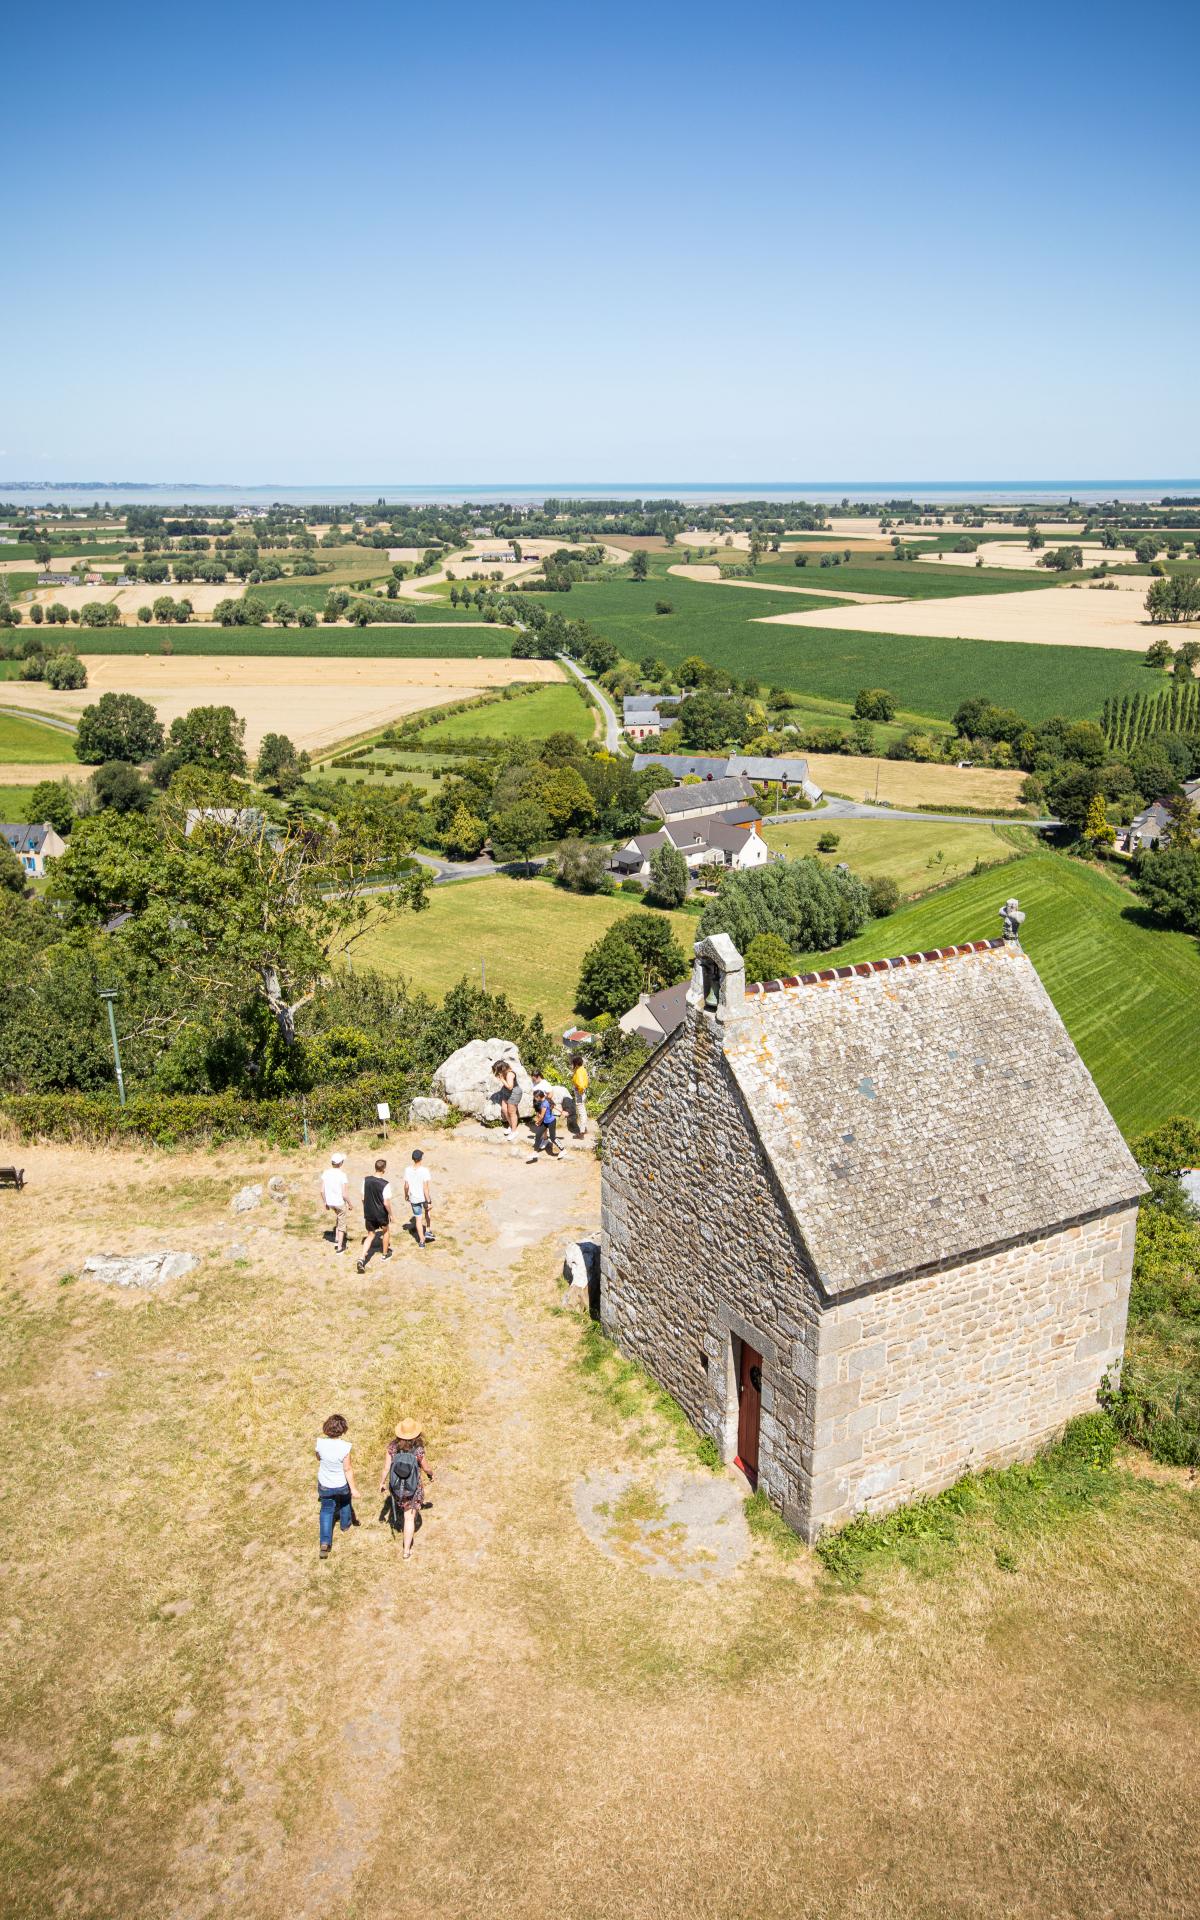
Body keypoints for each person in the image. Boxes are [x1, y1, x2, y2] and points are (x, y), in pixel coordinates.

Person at [380, 1418, 434, 1560]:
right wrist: (431, 1474)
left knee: (404, 1509)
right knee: (409, 1518)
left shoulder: (392, 1447)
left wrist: (382, 1483)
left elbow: (386, 1467)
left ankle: (400, 1520)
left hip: (396, 1487)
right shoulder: (418, 1450)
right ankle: (406, 1551)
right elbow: (426, 1467)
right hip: (413, 1489)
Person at [316, 1412, 360, 1559]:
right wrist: (353, 1489)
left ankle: (325, 1542)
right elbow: (347, 1469)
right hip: (341, 1484)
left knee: (326, 1510)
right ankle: (345, 1525)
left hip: (325, 1484)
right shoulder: (345, 1447)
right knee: (346, 1502)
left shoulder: (320, 1443)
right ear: (343, 1429)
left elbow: (318, 1457)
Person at [357, 1157, 393, 1272]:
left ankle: (362, 1258)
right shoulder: (385, 1184)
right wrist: (391, 1214)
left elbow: (362, 1197)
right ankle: (385, 1254)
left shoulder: (365, 1180)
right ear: (384, 1169)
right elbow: (386, 1203)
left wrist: (366, 1207)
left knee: (370, 1235)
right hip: (381, 1214)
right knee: (386, 1231)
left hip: (369, 1212)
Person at [403, 1149, 434, 1246]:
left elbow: (406, 1185)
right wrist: (428, 1201)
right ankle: (428, 1230)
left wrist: (406, 1195)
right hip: (423, 1197)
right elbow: (425, 1188)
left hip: (414, 1198)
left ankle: (421, 1241)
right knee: (428, 1211)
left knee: (418, 1220)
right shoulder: (424, 1171)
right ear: (421, 1159)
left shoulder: (407, 1170)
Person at [320, 1151, 350, 1254]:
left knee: (338, 1216)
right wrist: (350, 1204)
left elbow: (322, 1190)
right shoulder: (342, 1175)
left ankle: (337, 1239)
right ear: (341, 1163)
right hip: (339, 1202)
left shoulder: (326, 1173)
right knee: (342, 1224)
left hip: (330, 1202)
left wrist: (325, 1202)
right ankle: (340, 1247)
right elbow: (345, 1194)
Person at [492, 1060, 521, 1141]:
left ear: (501, 1068)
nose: (496, 1072)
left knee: (512, 1112)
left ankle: (514, 1131)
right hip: (506, 1093)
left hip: (514, 1093)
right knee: (504, 1110)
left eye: (497, 1070)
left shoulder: (510, 1074)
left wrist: (502, 1079)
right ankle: (511, 1126)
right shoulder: (504, 1072)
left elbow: (510, 1087)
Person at [533, 1083, 561, 1158]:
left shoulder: (544, 1104)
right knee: (538, 1134)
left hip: (551, 1122)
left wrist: (537, 1121)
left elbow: (542, 1115)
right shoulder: (545, 1101)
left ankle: (563, 1150)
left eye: (535, 1097)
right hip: (545, 1122)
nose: (534, 1099)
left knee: (553, 1138)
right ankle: (535, 1152)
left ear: (538, 1097)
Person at [570, 1053, 590, 1138]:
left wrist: (579, 1091)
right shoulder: (582, 1069)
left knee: (581, 1112)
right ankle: (584, 1129)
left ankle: (581, 1133)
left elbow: (581, 1085)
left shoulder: (578, 1071)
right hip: (582, 1093)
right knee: (583, 1111)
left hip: (579, 1094)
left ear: (575, 1063)